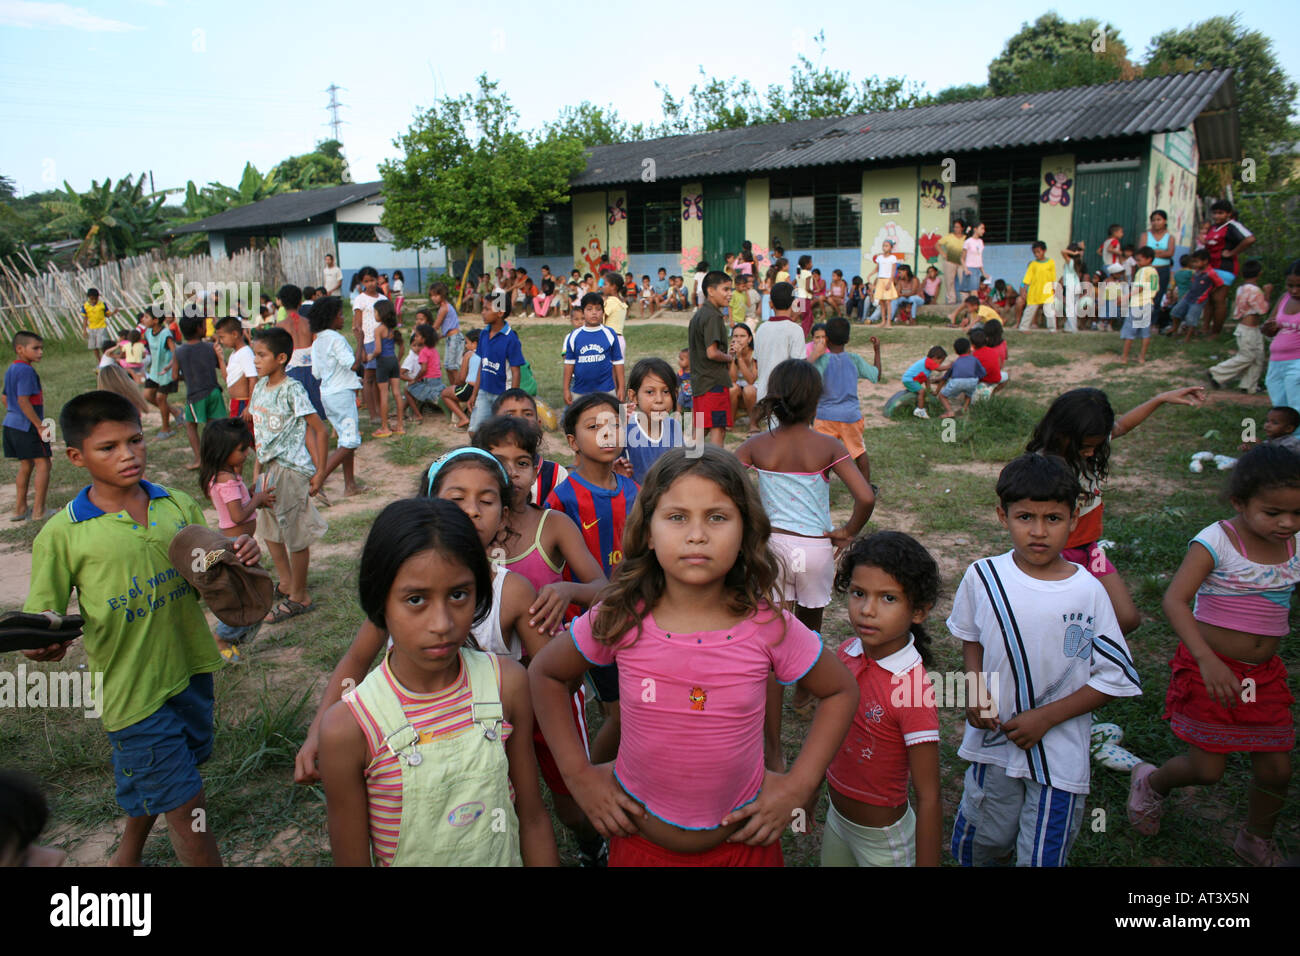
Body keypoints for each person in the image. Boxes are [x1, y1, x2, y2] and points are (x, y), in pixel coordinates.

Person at [528, 445, 859, 866]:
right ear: (648, 531)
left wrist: (800, 784)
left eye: (717, 517)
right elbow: (546, 674)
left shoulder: (769, 626)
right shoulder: (621, 614)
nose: (697, 534)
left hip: (747, 850)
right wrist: (579, 777)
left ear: (746, 532)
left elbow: (840, 691)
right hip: (637, 847)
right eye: (677, 516)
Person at [23, 390, 261, 865]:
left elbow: (209, 575)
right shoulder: (63, 535)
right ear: (76, 457)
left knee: (168, 776)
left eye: (135, 440)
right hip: (131, 691)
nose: (128, 455)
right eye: (107, 447)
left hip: (191, 671)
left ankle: (124, 857)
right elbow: (41, 624)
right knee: (187, 805)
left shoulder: (175, 506)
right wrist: (41, 647)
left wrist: (240, 560)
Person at [316, 497, 559, 866]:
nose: (442, 624)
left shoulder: (507, 684)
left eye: (459, 594)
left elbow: (533, 819)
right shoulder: (348, 729)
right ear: (379, 601)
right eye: (416, 599)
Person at [948, 453, 1141, 867]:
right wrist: (975, 689)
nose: (1038, 531)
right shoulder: (983, 577)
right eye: (1025, 517)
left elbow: (1112, 677)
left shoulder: (1088, 592)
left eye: (1053, 518)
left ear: (1074, 520)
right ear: (1002, 516)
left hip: (1059, 752)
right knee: (985, 838)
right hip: (996, 741)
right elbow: (971, 638)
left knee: (1041, 855)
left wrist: (1047, 717)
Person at [1129, 445, 1299, 867]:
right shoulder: (1217, 541)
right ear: (1239, 503)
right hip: (1208, 668)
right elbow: (1175, 600)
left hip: (1263, 675)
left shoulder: (1295, 543)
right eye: (1273, 512)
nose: (1287, 523)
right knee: (1207, 771)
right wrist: (1205, 658)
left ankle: (1255, 837)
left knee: (1277, 770)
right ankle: (1151, 782)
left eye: (1297, 513)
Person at [737, 358, 874, 741]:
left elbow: (723, 479)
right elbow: (864, 495)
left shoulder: (756, 444)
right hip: (816, 550)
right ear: (816, 402)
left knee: (771, 637)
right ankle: (803, 691)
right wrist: (846, 531)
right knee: (808, 632)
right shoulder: (828, 445)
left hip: (771, 551)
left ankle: (771, 736)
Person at [1026, 385, 1206, 634]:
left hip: (1091, 551)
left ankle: (1081, 655)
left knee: (1127, 618)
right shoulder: (1043, 465)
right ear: (1061, 434)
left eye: (1096, 446)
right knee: (1056, 624)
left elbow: (1121, 425)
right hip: (1056, 554)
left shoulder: (1090, 444)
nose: (1091, 452)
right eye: (1086, 446)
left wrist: (1160, 398)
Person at [822, 532, 943, 867]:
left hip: (884, 842)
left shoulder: (911, 690)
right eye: (859, 593)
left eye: (888, 598)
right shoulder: (847, 652)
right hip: (836, 820)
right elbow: (827, 732)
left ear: (918, 611)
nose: (867, 610)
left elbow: (929, 795)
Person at [545, 393, 639, 765]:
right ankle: (590, 786)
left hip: (630, 616)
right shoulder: (562, 499)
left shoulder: (634, 491)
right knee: (616, 715)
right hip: (583, 623)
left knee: (620, 709)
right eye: (593, 426)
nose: (606, 434)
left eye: (613, 425)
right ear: (572, 442)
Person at [249, 327, 328, 624]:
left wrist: (319, 472)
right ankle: (286, 582)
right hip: (268, 470)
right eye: (254, 354)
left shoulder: (292, 389)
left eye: (262, 355)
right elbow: (259, 435)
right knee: (269, 531)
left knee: (294, 533)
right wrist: (257, 472)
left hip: (290, 471)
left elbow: (318, 429)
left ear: (281, 358)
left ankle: (300, 596)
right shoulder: (259, 387)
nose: (256, 360)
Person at [198, 418, 271, 662]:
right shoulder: (226, 481)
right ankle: (223, 637)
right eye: (241, 449)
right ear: (223, 452)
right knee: (243, 594)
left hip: (237, 543)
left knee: (248, 590)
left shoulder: (225, 475)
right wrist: (257, 499)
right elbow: (238, 514)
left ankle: (235, 635)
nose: (247, 453)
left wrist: (249, 492)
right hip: (236, 546)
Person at [811, 318, 881, 482]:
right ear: (848, 339)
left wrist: (815, 354)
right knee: (859, 452)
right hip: (850, 416)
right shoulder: (854, 359)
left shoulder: (821, 362)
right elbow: (876, 375)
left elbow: (804, 375)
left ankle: (821, 492)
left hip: (825, 416)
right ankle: (866, 490)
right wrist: (877, 351)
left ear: (826, 338)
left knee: (822, 457)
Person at [308, 296, 362, 497]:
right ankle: (318, 479)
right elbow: (354, 364)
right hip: (342, 395)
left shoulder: (318, 341)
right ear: (330, 318)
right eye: (340, 314)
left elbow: (316, 373)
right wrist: (361, 341)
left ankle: (350, 485)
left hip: (328, 394)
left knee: (345, 440)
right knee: (350, 441)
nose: (343, 318)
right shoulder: (336, 339)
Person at [3, 331, 53, 522]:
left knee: (26, 464)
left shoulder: (12, 369)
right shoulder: (26, 370)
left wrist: (15, 414)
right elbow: (23, 401)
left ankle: (19, 509)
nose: (40, 352)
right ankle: (39, 511)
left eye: (41, 348)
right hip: (28, 426)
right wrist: (39, 426)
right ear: (20, 349)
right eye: (36, 348)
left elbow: (5, 397)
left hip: (12, 423)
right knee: (44, 463)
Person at [490, 389, 569, 505]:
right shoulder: (485, 468)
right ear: (493, 425)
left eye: (527, 414)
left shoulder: (556, 474)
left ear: (539, 424)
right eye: (510, 415)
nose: (519, 420)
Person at [1206, 260, 1270, 394]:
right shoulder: (1255, 290)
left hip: (1248, 328)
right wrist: (1267, 294)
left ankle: (1249, 386)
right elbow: (1263, 310)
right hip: (1249, 329)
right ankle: (1216, 373)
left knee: (1258, 357)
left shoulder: (1241, 288)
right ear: (1260, 273)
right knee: (1248, 356)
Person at [169, 315, 223, 472]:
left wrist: (186, 375)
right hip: (214, 391)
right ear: (200, 328)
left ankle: (199, 459)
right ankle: (220, 458)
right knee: (215, 426)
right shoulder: (210, 347)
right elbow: (219, 365)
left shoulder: (179, 351)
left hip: (195, 395)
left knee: (190, 425)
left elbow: (173, 376)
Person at [687, 270, 735, 447]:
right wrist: (729, 357)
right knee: (717, 429)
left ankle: (686, 464)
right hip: (713, 382)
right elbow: (712, 352)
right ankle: (717, 470)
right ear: (710, 290)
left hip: (700, 381)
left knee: (701, 429)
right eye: (725, 289)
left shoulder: (700, 314)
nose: (729, 294)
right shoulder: (713, 316)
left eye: (731, 289)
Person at [622, 358, 686, 486]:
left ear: (675, 394)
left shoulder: (674, 426)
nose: (659, 399)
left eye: (666, 392)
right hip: (635, 501)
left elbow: (681, 467)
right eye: (650, 392)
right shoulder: (625, 427)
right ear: (633, 396)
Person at [468, 296, 525, 437]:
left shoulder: (511, 338)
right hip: (483, 391)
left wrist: (513, 399)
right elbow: (482, 365)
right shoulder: (484, 334)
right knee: (474, 432)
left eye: (487, 309)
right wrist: (474, 394)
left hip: (502, 395)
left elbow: (516, 372)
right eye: (483, 309)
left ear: (500, 313)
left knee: (502, 434)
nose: (483, 312)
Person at [1201, 199, 1256, 337]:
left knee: (1219, 299)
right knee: (1208, 299)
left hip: (1225, 268)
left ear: (1228, 214)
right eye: (1215, 213)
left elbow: (1250, 239)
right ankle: (1205, 329)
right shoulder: (1213, 227)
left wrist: (1232, 252)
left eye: (1221, 213)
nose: (1217, 216)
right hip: (1210, 267)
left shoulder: (1232, 226)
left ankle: (1216, 332)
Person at [563, 292, 625, 407]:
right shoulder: (574, 335)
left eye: (598, 309)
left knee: (610, 419)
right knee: (581, 421)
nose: (594, 312)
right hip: (580, 390)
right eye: (589, 309)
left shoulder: (609, 333)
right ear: (583, 311)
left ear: (603, 312)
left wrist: (621, 387)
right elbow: (569, 363)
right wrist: (566, 389)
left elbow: (618, 362)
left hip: (606, 389)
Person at [754, 282, 805, 402]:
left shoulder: (761, 329)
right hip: (786, 396)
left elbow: (756, 363)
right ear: (794, 304)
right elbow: (799, 367)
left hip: (763, 395)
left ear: (770, 304)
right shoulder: (796, 330)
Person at [350, 266, 386, 430]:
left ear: (377, 279)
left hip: (383, 341)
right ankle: (373, 414)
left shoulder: (383, 298)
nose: (370, 284)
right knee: (369, 378)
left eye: (372, 280)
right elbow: (357, 325)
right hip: (368, 342)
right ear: (361, 282)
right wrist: (361, 347)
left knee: (380, 378)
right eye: (366, 281)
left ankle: (381, 410)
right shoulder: (360, 299)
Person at [1262, 260, 1300, 413]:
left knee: (1296, 403)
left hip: (1297, 362)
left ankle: (1296, 435)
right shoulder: (1284, 298)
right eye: (1290, 285)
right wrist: (1267, 328)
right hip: (1276, 362)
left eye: (1299, 286)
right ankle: (1284, 434)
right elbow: (1270, 326)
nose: (1294, 291)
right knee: (1279, 403)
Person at [366, 299, 404, 438]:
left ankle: (385, 427)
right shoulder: (392, 330)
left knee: (384, 395)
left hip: (382, 362)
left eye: (375, 312)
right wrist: (397, 360)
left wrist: (370, 357)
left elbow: (378, 350)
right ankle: (400, 425)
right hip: (393, 360)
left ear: (381, 313)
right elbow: (401, 347)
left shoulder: (378, 330)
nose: (374, 314)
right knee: (397, 393)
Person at [141, 310, 180, 438]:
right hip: (155, 371)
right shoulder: (147, 332)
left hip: (167, 373)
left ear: (156, 320)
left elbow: (176, 353)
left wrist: (169, 367)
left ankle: (166, 429)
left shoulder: (166, 334)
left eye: (146, 317)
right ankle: (175, 412)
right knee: (148, 395)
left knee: (160, 398)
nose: (143, 319)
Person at [1120, 246, 1160, 364]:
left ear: (1149, 259)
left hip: (1138, 304)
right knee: (1145, 332)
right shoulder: (1154, 272)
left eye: (1139, 260)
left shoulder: (1143, 271)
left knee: (1129, 332)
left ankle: (1124, 357)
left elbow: (1140, 288)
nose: (1137, 263)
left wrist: (1126, 297)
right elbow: (1156, 289)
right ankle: (1142, 357)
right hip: (1149, 303)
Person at [1137, 210, 1175, 332]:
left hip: (1162, 270)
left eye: (1159, 220)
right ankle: (1140, 322)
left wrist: (1152, 252)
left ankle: (1153, 323)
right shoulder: (1145, 235)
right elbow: (1142, 252)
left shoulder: (1170, 237)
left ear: (1165, 221)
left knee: (1158, 296)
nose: (1156, 222)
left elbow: (1170, 253)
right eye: (1153, 220)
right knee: (1143, 295)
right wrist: (1160, 253)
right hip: (1147, 270)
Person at [213, 316, 255, 419]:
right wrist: (220, 359)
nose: (221, 341)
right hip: (236, 402)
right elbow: (227, 379)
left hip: (244, 402)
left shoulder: (245, 353)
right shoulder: (234, 354)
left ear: (235, 334)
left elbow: (253, 379)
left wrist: (250, 405)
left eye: (222, 337)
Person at [401, 322, 442, 424]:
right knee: (412, 386)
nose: (415, 337)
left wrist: (415, 379)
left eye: (417, 335)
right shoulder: (433, 350)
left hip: (429, 382)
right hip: (437, 381)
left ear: (424, 338)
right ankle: (403, 411)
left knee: (407, 389)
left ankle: (417, 415)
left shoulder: (424, 352)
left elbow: (423, 369)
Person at [1016, 241, 1059, 333]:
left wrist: (1054, 288)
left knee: (1050, 311)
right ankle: (1023, 327)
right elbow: (1026, 279)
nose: (1036, 254)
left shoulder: (1051, 263)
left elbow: (1053, 278)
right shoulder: (1033, 265)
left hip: (1047, 292)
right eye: (1034, 252)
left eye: (1038, 252)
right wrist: (1023, 290)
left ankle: (1052, 329)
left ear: (1044, 251)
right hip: (1034, 292)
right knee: (1029, 311)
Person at [937, 337, 985, 419]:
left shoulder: (955, 362)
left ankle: (950, 411)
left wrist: (937, 390)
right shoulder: (974, 359)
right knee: (968, 394)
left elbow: (945, 377)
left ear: (956, 351)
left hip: (957, 381)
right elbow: (983, 373)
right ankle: (964, 409)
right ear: (969, 349)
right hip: (972, 381)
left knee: (942, 396)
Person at [728, 322, 759, 432]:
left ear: (749, 339)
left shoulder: (755, 354)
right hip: (739, 395)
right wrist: (732, 359)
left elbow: (751, 380)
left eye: (742, 336)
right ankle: (730, 423)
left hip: (754, 395)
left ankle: (753, 423)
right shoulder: (731, 354)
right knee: (732, 388)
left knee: (748, 389)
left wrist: (740, 358)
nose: (739, 340)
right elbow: (732, 380)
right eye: (735, 336)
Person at [901, 346, 947, 420]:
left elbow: (926, 379)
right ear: (935, 358)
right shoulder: (928, 361)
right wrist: (950, 366)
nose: (940, 364)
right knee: (921, 391)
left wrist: (929, 390)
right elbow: (939, 369)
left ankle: (919, 407)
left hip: (910, 379)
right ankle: (920, 410)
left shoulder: (927, 364)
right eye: (940, 361)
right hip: (910, 380)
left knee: (923, 392)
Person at [864, 242, 898, 327]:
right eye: (883, 246)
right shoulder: (879, 258)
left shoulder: (893, 258)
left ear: (891, 248)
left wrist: (890, 282)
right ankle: (883, 321)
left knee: (888, 302)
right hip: (880, 280)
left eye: (886, 246)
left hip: (888, 280)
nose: (884, 247)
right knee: (881, 302)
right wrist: (870, 274)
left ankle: (888, 322)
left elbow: (893, 272)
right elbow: (877, 269)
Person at [82, 287, 117, 364]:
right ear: (89, 298)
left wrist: (113, 313)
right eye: (92, 299)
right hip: (92, 328)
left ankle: (107, 359)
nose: (94, 301)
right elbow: (85, 319)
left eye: (95, 299)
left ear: (98, 297)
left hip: (101, 327)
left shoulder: (102, 305)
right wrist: (84, 330)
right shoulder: (85, 306)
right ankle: (99, 361)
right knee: (94, 346)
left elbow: (107, 314)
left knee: (103, 345)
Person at [969, 327, 1008, 395]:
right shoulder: (994, 351)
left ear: (972, 345)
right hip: (995, 378)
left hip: (980, 380)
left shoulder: (973, 355)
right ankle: (993, 392)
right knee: (1006, 376)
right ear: (987, 339)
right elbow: (999, 366)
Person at [938, 219, 966, 304]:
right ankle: (951, 300)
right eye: (955, 227)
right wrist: (943, 254)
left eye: (958, 227)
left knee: (963, 281)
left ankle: (965, 300)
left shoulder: (965, 238)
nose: (956, 229)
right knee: (949, 281)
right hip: (950, 261)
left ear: (962, 228)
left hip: (962, 262)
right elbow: (937, 245)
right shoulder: (949, 237)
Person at [960, 222, 986, 294]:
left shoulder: (981, 242)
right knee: (974, 293)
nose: (983, 231)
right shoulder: (968, 242)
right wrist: (966, 269)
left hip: (977, 270)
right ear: (975, 229)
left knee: (971, 297)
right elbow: (962, 258)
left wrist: (983, 272)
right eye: (982, 228)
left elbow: (979, 259)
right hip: (970, 269)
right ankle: (977, 305)